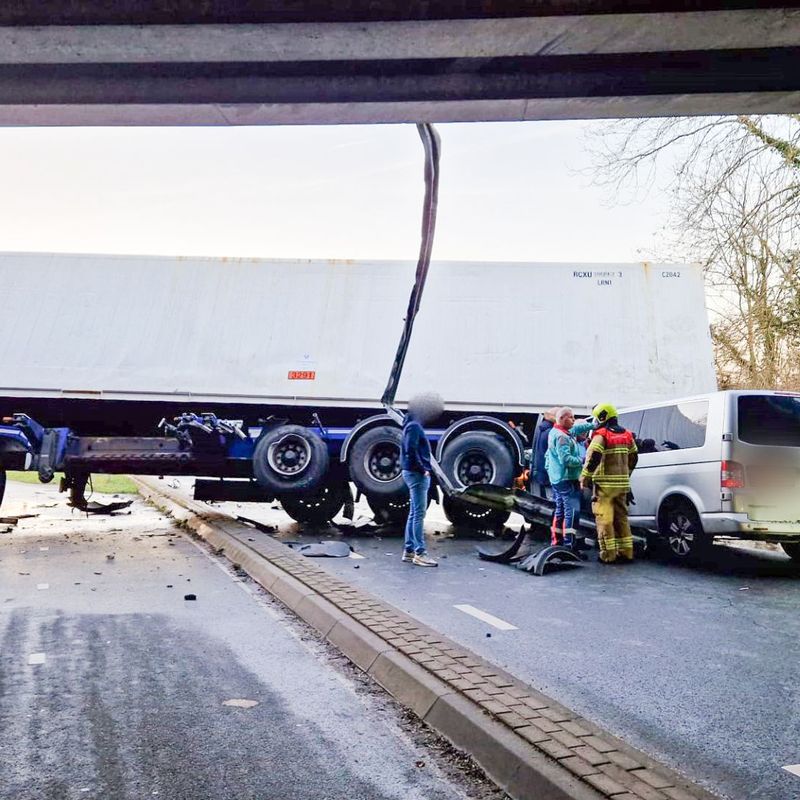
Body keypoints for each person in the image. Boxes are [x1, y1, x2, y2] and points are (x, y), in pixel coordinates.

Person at [580, 402, 638, 564]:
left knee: (604, 520)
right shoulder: (627, 435)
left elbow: (593, 457)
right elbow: (634, 458)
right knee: (621, 519)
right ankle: (626, 553)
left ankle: (608, 555)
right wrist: (626, 474)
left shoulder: (602, 435)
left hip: (604, 487)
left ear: (602, 417)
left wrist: (585, 477)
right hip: (622, 486)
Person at [401, 391, 444, 567]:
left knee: (414, 513)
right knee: (418, 514)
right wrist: (423, 469)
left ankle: (409, 550)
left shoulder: (409, 425)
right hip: (416, 474)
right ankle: (420, 553)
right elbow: (410, 450)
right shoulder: (414, 427)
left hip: (411, 473)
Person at [544, 407, 596, 549]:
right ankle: (569, 545)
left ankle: (557, 542)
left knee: (560, 510)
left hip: (558, 478)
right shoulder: (562, 437)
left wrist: (593, 425)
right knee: (572, 512)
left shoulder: (558, 431)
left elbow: (577, 429)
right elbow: (566, 459)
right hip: (567, 479)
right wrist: (583, 460)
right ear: (561, 419)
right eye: (571, 417)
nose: (573, 420)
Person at [531, 408, 557, 496]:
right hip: (549, 473)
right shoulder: (551, 432)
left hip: (542, 470)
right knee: (551, 498)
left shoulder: (542, 429)